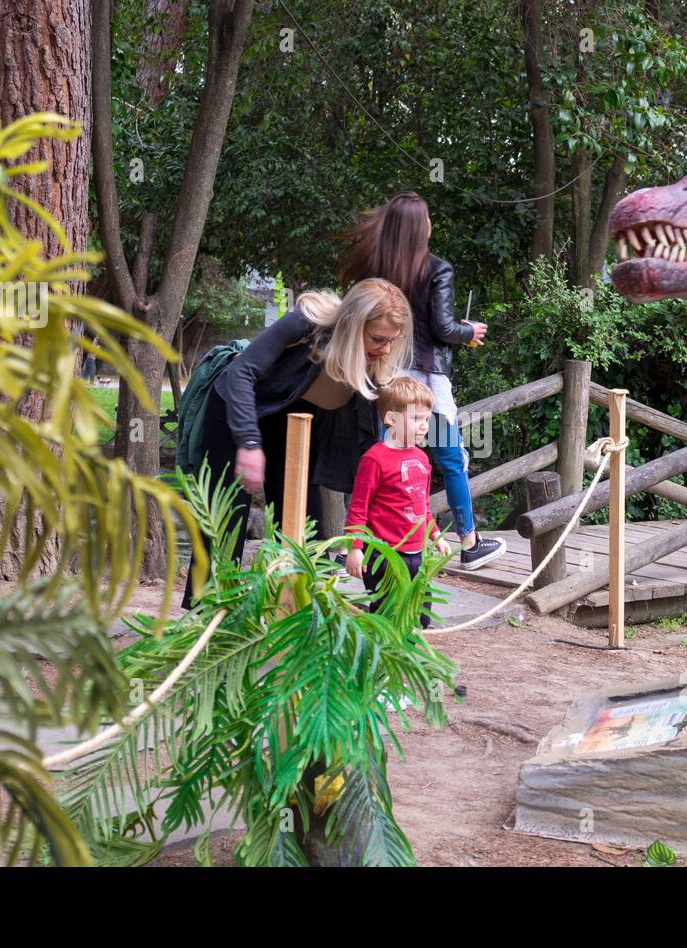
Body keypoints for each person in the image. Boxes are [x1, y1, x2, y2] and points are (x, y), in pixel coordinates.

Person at [185, 278, 413, 606]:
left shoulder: (372, 363)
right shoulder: (307, 322)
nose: (386, 349)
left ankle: (298, 617)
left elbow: (369, 446)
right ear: (352, 325)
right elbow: (242, 373)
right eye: (378, 339)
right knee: (223, 525)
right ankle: (206, 618)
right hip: (235, 411)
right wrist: (248, 443)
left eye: (393, 341)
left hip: (291, 423)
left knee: (307, 528)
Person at [337, 190, 507, 571]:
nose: (431, 224)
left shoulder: (375, 269)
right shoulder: (437, 268)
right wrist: (469, 331)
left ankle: (363, 543)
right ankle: (469, 542)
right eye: (427, 218)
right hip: (428, 383)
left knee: (380, 459)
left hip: (387, 375)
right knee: (451, 459)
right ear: (419, 228)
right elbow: (443, 328)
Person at [344, 376, 452, 628]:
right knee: (387, 613)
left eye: (426, 419)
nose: (424, 426)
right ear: (392, 419)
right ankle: (381, 662)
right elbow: (358, 508)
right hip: (384, 554)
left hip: (417, 552)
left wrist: (436, 535)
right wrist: (355, 548)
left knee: (419, 615)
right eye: (416, 419)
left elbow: (422, 506)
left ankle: (409, 660)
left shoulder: (422, 459)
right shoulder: (374, 459)